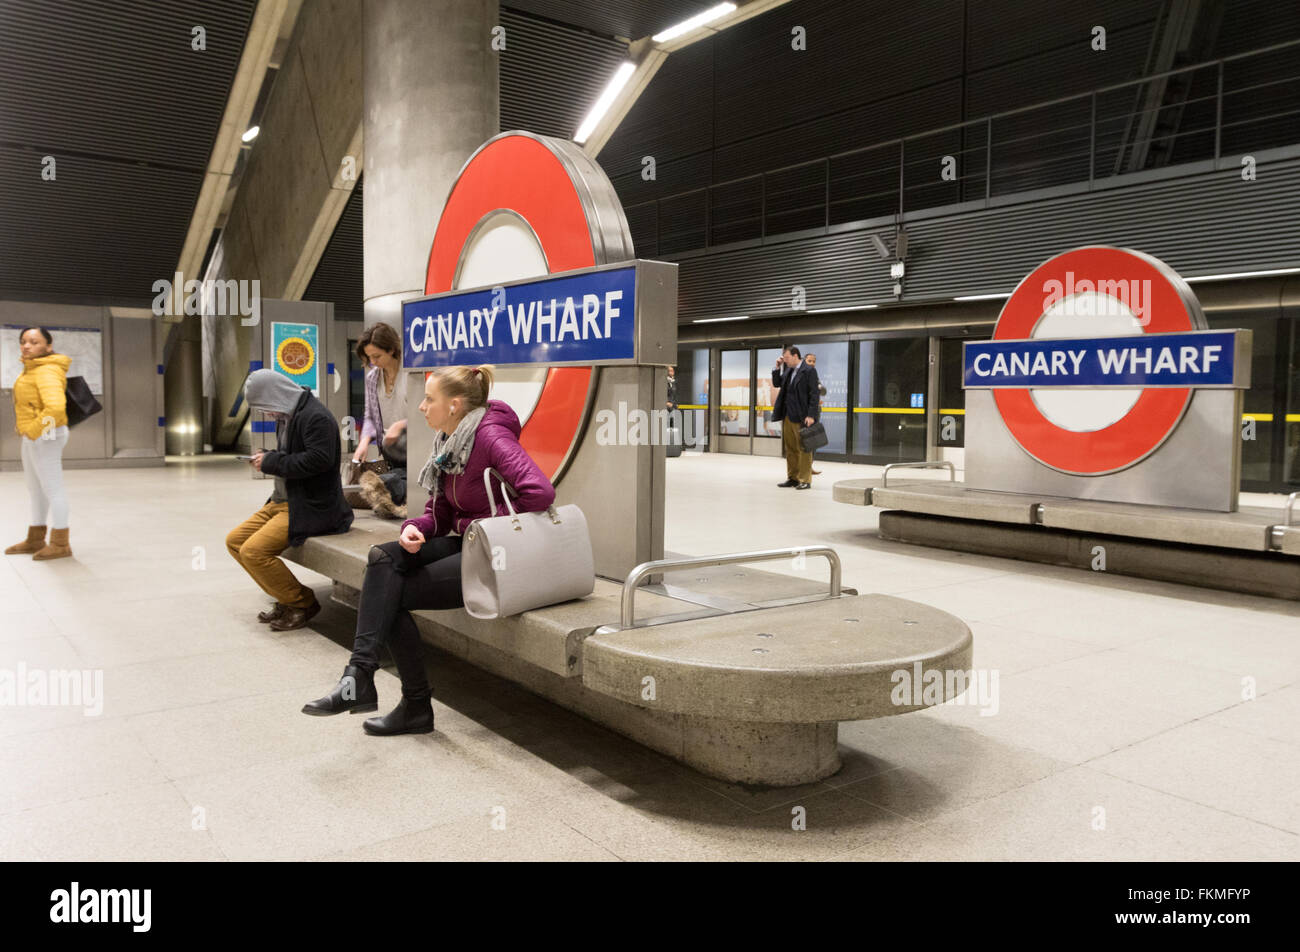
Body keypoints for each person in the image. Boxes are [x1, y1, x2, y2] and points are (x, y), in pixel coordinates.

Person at [302, 365, 556, 736]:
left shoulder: (491, 437)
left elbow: (540, 493)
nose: (421, 407)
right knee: (383, 557)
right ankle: (360, 677)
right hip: (473, 541)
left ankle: (405, 701)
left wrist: (479, 524)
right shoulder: (450, 441)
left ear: (454, 405)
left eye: (429, 399)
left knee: (391, 595)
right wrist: (413, 529)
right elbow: (442, 511)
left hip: (502, 552)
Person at [225, 369, 353, 631]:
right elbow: (292, 455)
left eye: (266, 406)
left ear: (277, 395)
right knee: (235, 542)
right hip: (282, 500)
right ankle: (286, 598)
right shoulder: (287, 415)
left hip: (309, 505)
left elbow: (319, 460)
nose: (267, 413)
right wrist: (269, 456)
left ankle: (301, 603)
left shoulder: (315, 417)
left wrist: (271, 461)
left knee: (254, 552)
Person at [5, 326, 73, 560]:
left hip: (47, 435)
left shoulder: (47, 370)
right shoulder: (31, 369)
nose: (26, 345)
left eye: (34, 342)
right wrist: (28, 431)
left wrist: (33, 431)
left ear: (48, 346)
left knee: (53, 489)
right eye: (23, 341)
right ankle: (35, 539)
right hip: (35, 435)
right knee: (35, 489)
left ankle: (61, 543)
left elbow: (54, 408)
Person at [351, 323, 408, 518]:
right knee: (395, 489)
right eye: (369, 357)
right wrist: (364, 442)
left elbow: (426, 411)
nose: (372, 362)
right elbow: (369, 415)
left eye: (377, 356)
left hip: (414, 444)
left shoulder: (411, 373)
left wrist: (401, 425)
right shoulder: (372, 378)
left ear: (391, 349)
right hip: (391, 448)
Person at [771, 344, 820, 490]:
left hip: (802, 416)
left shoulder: (809, 371)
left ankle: (805, 479)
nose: (785, 360)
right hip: (787, 415)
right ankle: (792, 477)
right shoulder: (788, 371)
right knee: (790, 448)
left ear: (795, 356)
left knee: (804, 448)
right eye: (783, 358)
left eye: (786, 358)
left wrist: (811, 415)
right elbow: (777, 383)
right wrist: (777, 367)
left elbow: (814, 394)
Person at [805, 353, 826, 477]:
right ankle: (803, 467)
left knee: (814, 441)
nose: (812, 363)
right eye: (809, 361)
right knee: (806, 441)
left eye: (814, 361)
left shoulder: (814, 375)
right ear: (804, 361)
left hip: (815, 414)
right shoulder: (802, 375)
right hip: (806, 415)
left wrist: (818, 387)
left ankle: (809, 465)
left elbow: (823, 391)